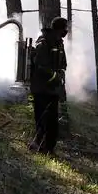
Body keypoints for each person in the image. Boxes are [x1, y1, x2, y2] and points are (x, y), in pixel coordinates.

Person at [29, 16, 68, 155]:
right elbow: (40, 66)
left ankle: (48, 148)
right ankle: (39, 145)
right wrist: (54, 76)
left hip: (53, 90)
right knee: (41, 119)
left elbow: (63, 63)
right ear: (58, 29)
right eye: (65, 28)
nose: (66, 31)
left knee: (52, 121)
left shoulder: (59, 43)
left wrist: (61, 75)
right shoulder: (44, 43)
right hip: (41, 89)